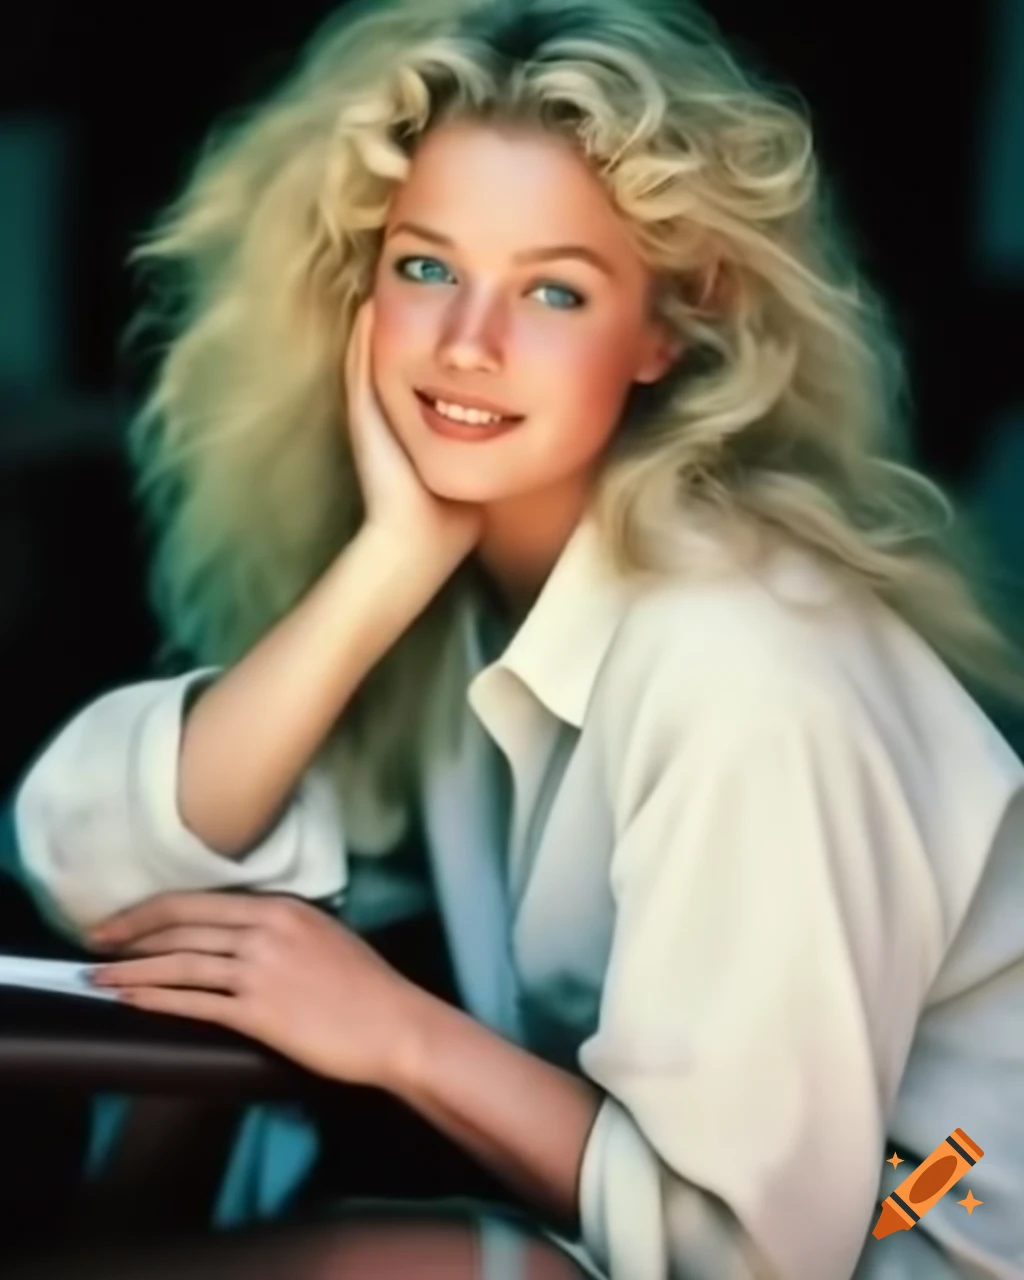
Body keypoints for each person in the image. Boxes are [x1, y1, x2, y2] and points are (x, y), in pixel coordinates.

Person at [8, 0, 1024, 1275]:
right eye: (426, 267)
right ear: (357, 289)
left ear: (668, 323)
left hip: (929, 1236)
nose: (468, 346)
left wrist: (398, 1031)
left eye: (553, 288)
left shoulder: (744, 663)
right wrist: (385, 567)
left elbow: (755, 1253)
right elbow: (104, 874)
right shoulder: (476, 581)